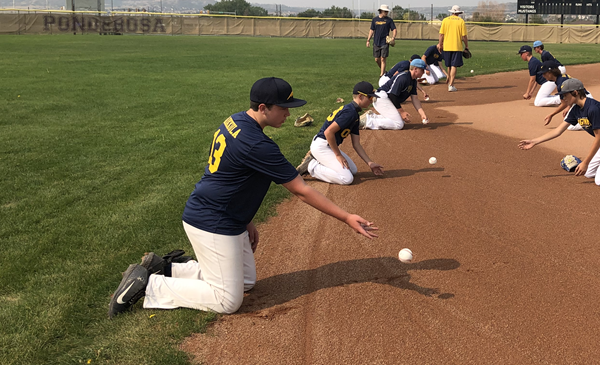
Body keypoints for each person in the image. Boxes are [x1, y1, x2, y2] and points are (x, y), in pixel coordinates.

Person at [108, 77, 378, 318]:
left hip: (225, 215)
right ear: (263, 108)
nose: (288, 113)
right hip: (211, 220)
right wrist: (346, 217)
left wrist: (246, 219)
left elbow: (231, 174)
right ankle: (149, 284)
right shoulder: (258, 145)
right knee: (227, 300)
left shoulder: (236, 120)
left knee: (246, 282)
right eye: (283, 108)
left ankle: (166, 268)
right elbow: (302, 190)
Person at [518, 78, 600, 187]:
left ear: (575, 92)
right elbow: (558, 130)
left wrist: (585, 162)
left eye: (565, 95)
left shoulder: (592, 108)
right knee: (589, 172)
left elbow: (599, 138)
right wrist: (534, 141)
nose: (563, 98)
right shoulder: (576, 110)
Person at [297, 81, 385, 185]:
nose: (371, 101)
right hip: (322, 146)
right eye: (369, 98)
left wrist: (370, 163)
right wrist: (338, 155)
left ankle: (320, 160)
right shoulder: (350, 113)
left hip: (328, 145)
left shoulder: (354, 114)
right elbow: (328, 132)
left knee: (353, 170)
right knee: (347, 179)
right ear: (360, 96)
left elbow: (356, 144)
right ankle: (311, 166)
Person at [361, 59, 428, 130]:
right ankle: (367, 122)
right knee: (399, 124)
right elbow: (392, 95)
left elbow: (415, 99)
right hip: (381, 98)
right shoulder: (403, 78)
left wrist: (422, 114)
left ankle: (372, 116)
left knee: (399, 119)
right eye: (422, 70)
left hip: (387, 99)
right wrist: (402, 112)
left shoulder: (413, 81)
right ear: (415, 69)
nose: (423, 72)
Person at [437, 5, 468, 92]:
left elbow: (441, 34)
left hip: (446, 46)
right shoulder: (461, 21)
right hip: (457, 46)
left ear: (452, 12)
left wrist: (440, 44)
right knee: (454, 65)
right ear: (459, 13)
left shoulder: (445, 20)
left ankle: (449, 81)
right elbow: (464, 36)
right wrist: (466, 46)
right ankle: (451, 85)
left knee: (449, 65)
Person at [367, 5, 397, 76]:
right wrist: (368, 40)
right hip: (376, 42)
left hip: (384, 42)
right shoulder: (375, 20)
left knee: (383, 59)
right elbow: (371, 30)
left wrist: (393, 37)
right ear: (381, 11)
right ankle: (384, 71)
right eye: (385, 11)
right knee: (377, 59)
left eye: (387, 11)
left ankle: (382, 74)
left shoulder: (389, 20)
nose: (386, 13)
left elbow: (394, 29)